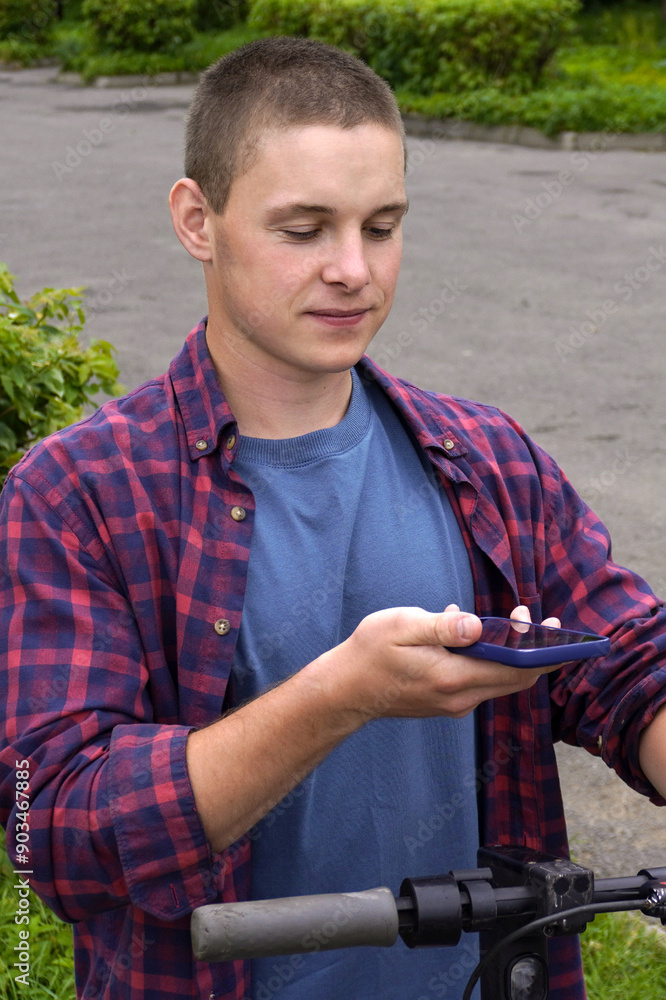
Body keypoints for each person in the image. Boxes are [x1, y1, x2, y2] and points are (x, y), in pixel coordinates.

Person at [1, 34, 665, 1000]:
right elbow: (52, 829)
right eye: (304, 229)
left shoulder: (487, 457)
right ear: (198, 219)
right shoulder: (78, 492)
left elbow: (627, 662)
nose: (354, 269)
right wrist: (336, 697)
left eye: (382, 226)